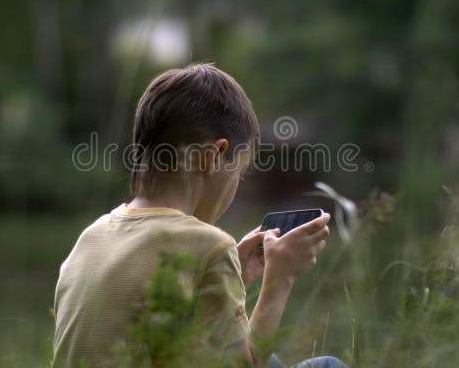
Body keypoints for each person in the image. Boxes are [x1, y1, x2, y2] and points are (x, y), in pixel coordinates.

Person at [53, 63, 347, 368]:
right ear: (212, 157)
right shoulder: (208, 245)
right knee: (327, 366)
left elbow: (162, 339)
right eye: (239, 174)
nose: (234, 187)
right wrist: (280, 277)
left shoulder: (90, 238)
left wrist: (234, 279)